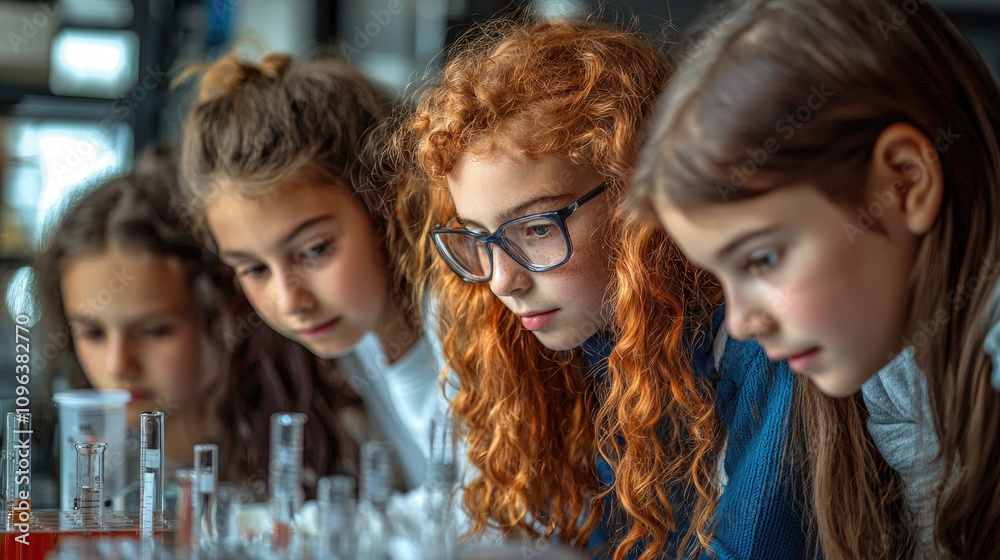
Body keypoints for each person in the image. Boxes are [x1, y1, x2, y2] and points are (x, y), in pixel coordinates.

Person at [397, 19, 811, 559]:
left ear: (639, 197)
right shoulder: (589, 341)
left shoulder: (767, 345)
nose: (502, 280)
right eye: (477, 238)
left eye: (539, 228)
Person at [630, 0, 1000, 557]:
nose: (742, 321)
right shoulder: (894, 375)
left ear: (904, 183)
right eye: (720, 277)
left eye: (762, 260)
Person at [177, 51, 450, 495]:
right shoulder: (357, 337)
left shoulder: (456, 316)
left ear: (388, 204)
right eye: (254, 268)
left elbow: (495, 519)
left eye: (315, 249)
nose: (290, 301)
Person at [35, 166, 362, 505]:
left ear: (222, 314)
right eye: (92, 332)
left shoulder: (323, 448)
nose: (118, 365)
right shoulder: (87, 465)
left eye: (154, 330)